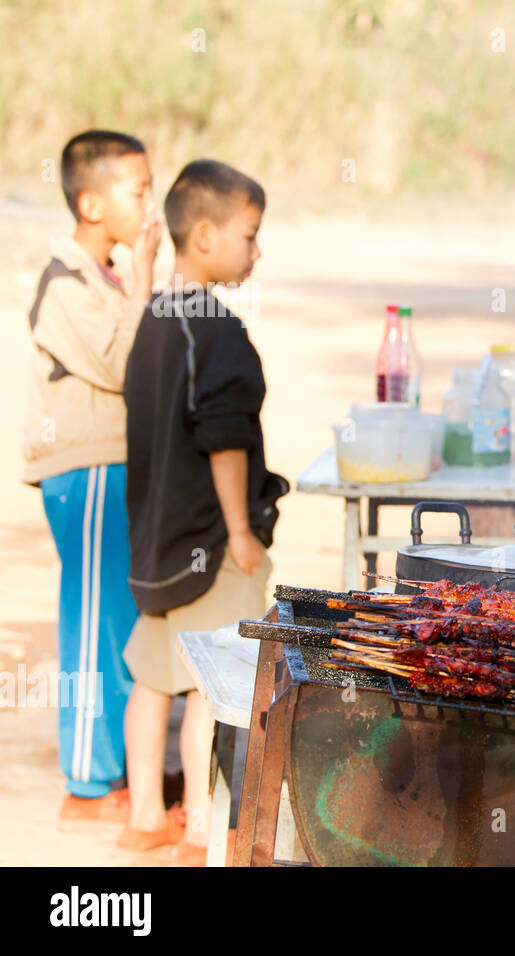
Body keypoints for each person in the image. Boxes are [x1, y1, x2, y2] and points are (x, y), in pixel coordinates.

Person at [119, 159, 288, 864]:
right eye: (250, 236)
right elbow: (223, 440)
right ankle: (198, 829)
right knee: (207, 685)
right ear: (208, 235)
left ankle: (147, 818)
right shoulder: (214, 329)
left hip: (156, 540)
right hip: (209, 542)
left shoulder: (157, 318)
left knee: (153, 681)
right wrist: (243, 532)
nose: (257, 250)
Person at [21, 130, 163, 822]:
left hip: (119, 471)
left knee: (122, 620)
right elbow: (120, 366)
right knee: (90, 623)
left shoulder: (105, 278)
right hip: (87, 472)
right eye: (138, 192)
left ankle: (115, 768)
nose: (149, 204)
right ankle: (87, 778)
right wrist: (142, 289)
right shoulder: (64, 284)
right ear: (91, 203)